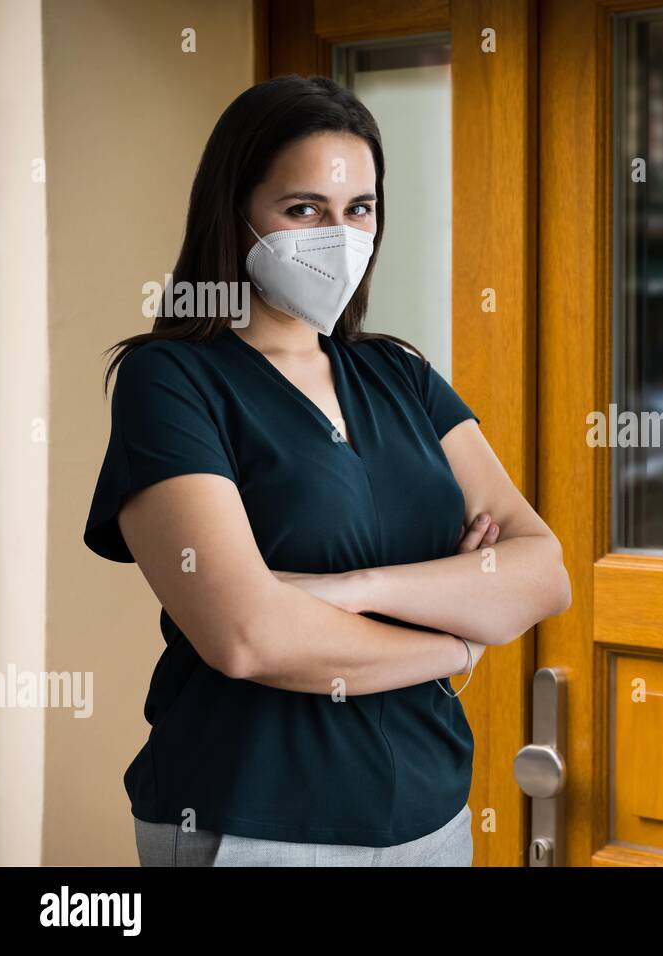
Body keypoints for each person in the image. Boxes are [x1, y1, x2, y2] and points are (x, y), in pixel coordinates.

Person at [82, 75, 571, 867]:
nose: (338, 234)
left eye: (359, 210)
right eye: (304, 209)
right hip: (255, 819)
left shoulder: (400, 375)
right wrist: (454, 639)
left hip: (432, 812)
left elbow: (542, 573)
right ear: (234, 211)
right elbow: (247, 637)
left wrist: (354, 590)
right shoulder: (170, 381)